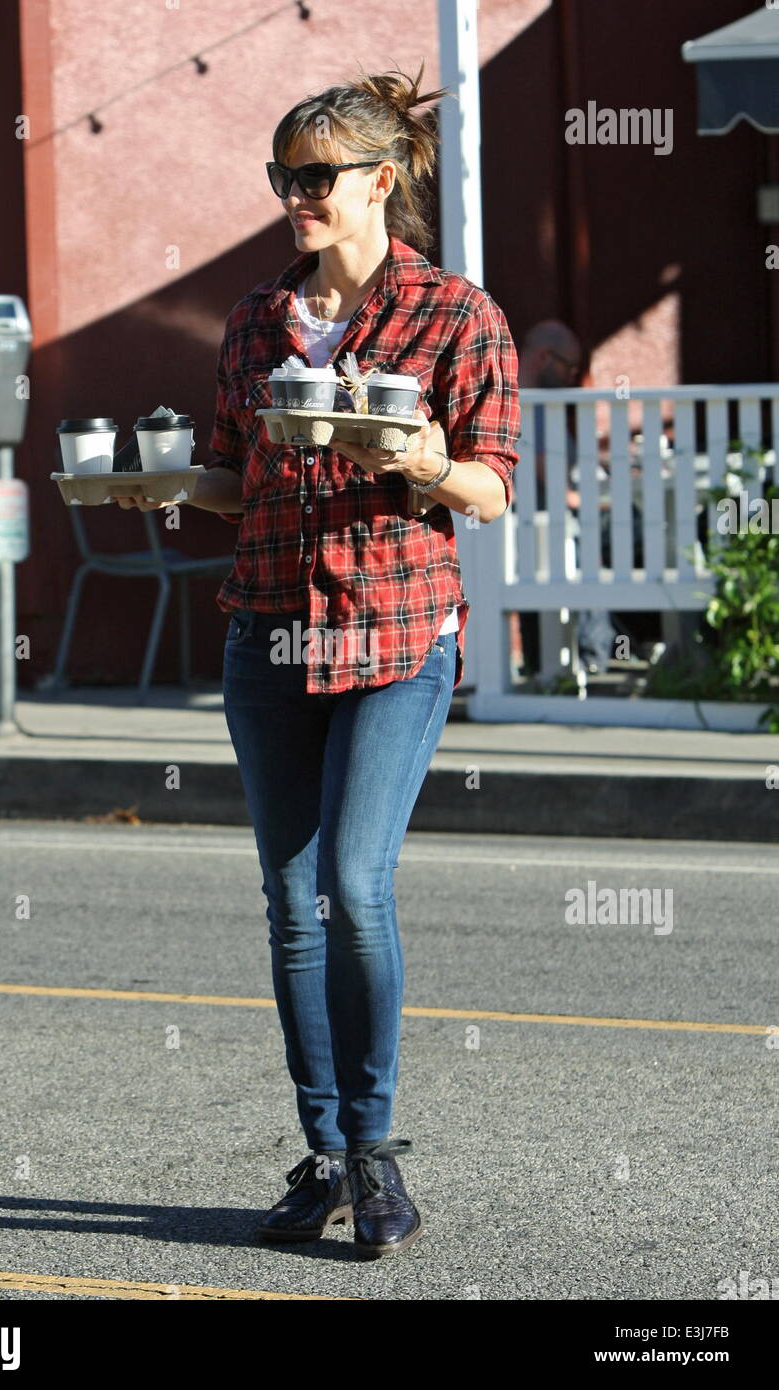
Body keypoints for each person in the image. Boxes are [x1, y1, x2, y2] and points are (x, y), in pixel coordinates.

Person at [116, 60, 519, 1259]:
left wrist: (420, 458)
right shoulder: (256, 320)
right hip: (268, 632)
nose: (294, 197)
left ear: (379, 181)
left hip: (396, 634)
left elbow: (491, 490)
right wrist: (164, 485)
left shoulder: (455, 315)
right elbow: (236, 479)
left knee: (353, 880)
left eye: (314, 177)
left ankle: (377, 1149)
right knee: (292, 901)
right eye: (281, 177)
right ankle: (326, 1153)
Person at [516, 321, 618, 675]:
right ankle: (595, 657)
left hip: (538, 527)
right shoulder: (533, 410)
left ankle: (551, 664)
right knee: (630, 532)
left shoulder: (525, 403)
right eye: (569, 366)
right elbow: (560, 491)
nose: (573, 376)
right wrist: (607, 499)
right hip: (547, 525)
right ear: (545, 357)